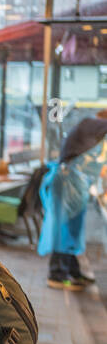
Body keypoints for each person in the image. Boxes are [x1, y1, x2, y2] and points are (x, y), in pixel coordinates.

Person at [39, 109, 107, 290]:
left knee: (71, 232)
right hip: (67, 182)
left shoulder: (89, 129)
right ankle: (57, 275)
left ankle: (72, 272)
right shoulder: (93, 124)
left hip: (72, 182)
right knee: (64, 230)